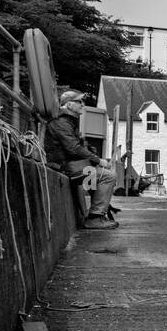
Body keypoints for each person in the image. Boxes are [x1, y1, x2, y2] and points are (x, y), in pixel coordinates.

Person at [44, 90, 118, 229]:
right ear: (69, 105)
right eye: (79, 102)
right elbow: (74, 148)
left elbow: (77, 147)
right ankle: (95, 217)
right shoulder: (61, 123)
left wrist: (92, 155)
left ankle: (96, 213)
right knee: (108, 176)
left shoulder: (67, 122)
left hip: (70, 165)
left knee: (99, 175)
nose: (82, 105)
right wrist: (97, 160)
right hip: (64, 167)